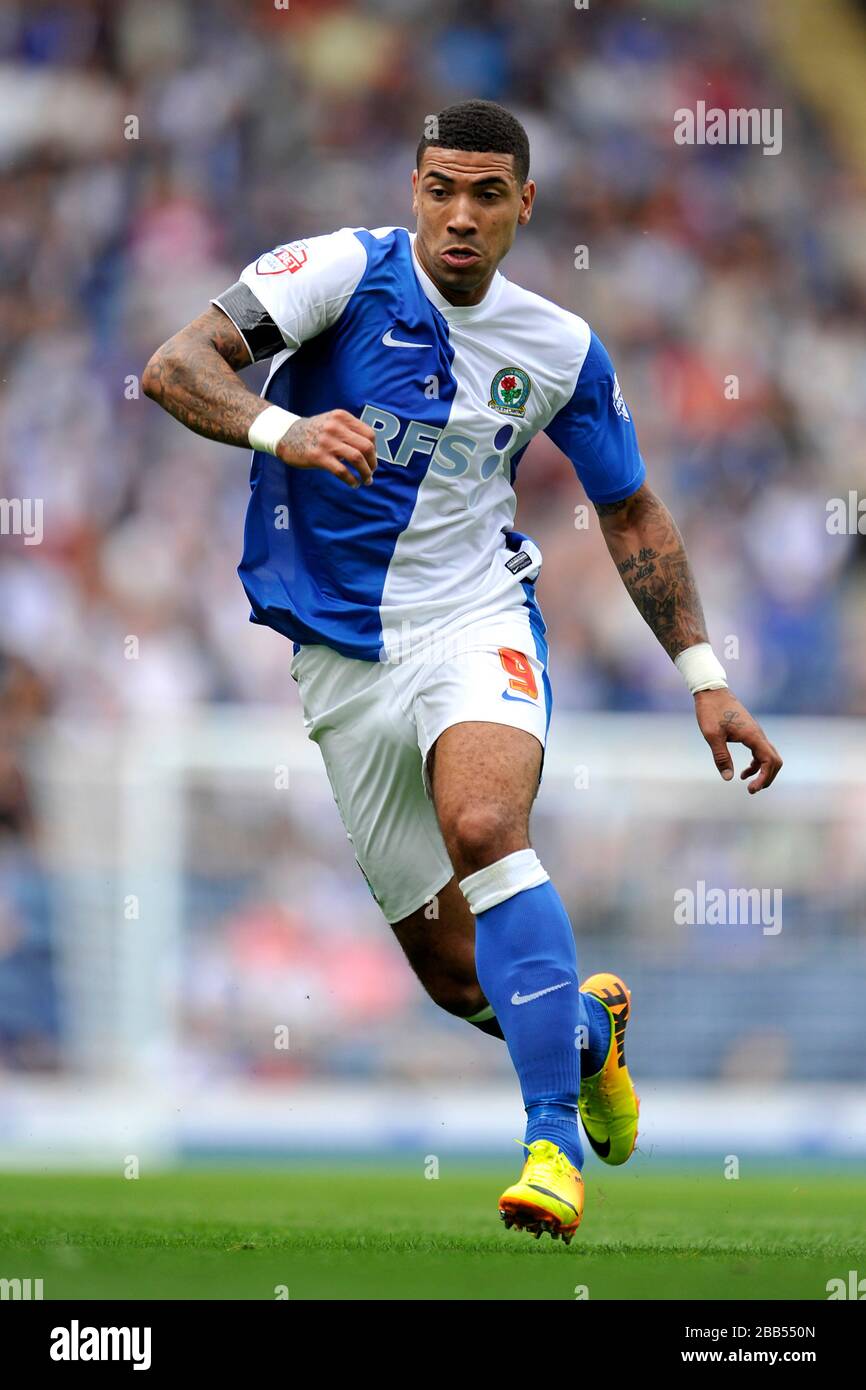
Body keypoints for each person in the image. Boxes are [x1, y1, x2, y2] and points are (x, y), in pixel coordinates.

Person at [143, 99, 782, 1242]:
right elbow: (173, 364)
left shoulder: (559, 348)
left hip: (474, 618)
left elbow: (627, 508)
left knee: (485, 826)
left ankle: (549, 1151)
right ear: (412, 192)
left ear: (523, 207)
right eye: (441, 188)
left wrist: (703, 672)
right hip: (338, 659)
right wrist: (279, 431)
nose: (459, 215)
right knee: (451, 975)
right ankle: (585, 1034)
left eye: (487, 195)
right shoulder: (335, 272)